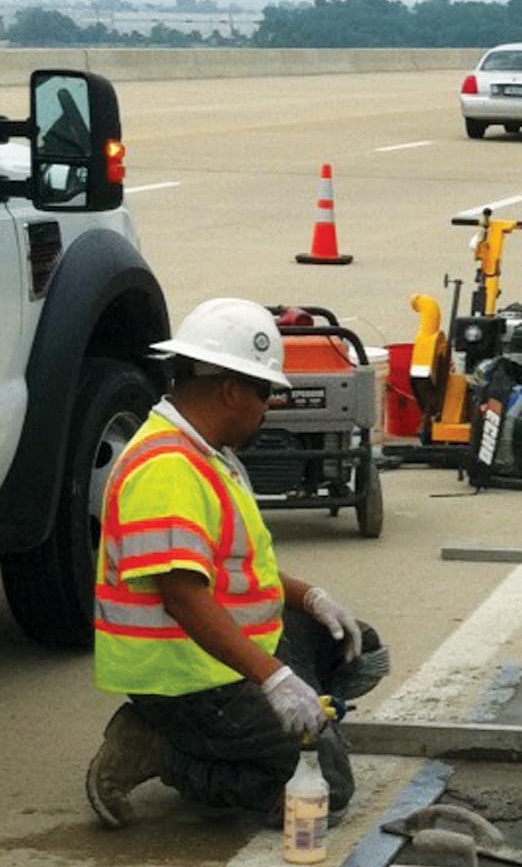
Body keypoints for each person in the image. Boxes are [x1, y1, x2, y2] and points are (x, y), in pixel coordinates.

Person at [85, 298, 389, 829]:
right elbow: (183, 597)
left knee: (353, 643)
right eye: (265, 392)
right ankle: (163, 748)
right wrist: (274, 680)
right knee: (326, 792)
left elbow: (232, 567)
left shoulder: (205, 452)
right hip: (187, 682)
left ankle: (270, 732)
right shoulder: (167, 470)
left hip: (216, 657)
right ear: (229, 389)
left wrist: (309, 597)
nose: (269, 406)